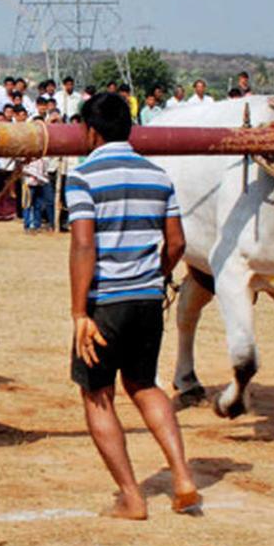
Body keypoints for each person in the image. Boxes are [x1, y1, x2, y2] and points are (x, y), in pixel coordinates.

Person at [65, 92, 199, 520]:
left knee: (97, 394)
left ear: (90, 131)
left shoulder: (83, 175)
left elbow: (83, 244)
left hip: (105, 301)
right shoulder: (158, 175)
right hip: (146, 299)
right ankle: (182, 477)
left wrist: (79, 313)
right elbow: (177, 242)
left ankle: (131, 496)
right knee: (144, 385)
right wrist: (155, 276)